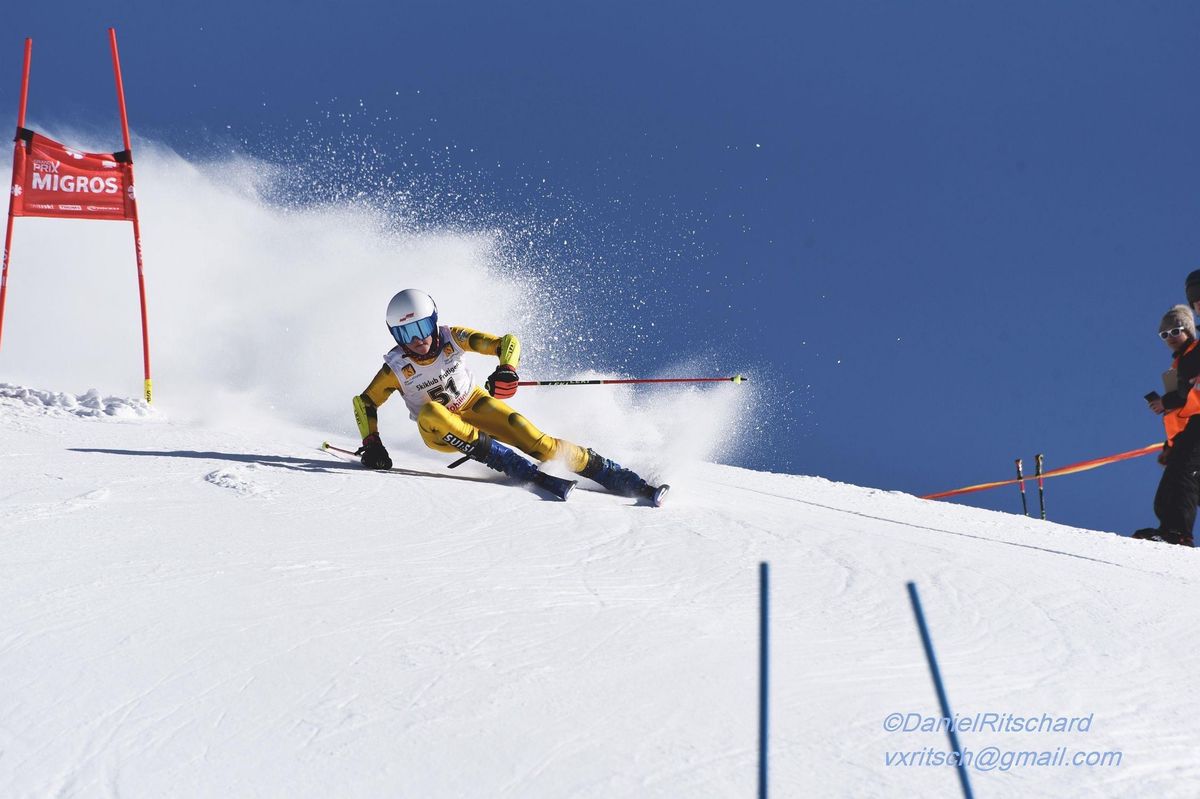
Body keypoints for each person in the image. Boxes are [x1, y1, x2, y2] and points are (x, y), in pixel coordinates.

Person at [352, 289, 668, 505]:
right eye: (406, 334)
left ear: (434, 321)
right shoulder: (396, 367)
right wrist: (372, 442)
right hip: (440, 432)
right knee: (431, 412)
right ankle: (512, 465)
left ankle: (624, 479)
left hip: (474, 405)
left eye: (422, 327)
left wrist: (507, 369)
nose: (418, 340)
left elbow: (507, 342)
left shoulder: (453, 337)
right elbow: (365, 402)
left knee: (533, 437)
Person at [1133, 305, 1200, 545]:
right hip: (1187, 432)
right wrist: (1169, 444)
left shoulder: (1195, 354)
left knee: (1183, 479)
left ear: (1189, 331)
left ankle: (1178, 534)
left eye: (1175, 331)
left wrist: (1165, 401)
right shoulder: (1177, 365)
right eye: (1164, 335)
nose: (1170, 338)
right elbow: (1180, 411)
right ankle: (1169, 530)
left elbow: (1184, 395)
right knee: (1170, 488)